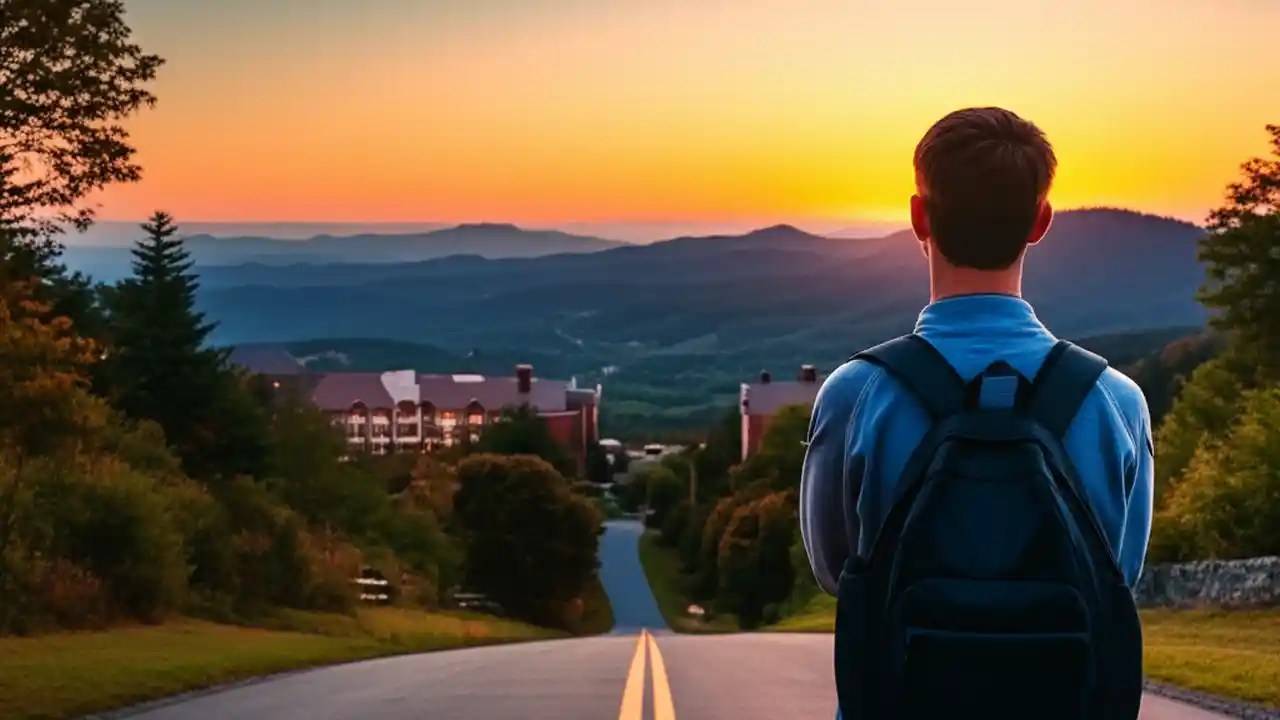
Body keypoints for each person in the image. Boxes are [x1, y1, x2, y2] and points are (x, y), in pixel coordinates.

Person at [800, 107, 1154, 719]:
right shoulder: (1116, 401)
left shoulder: (854, 394)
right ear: (1040, 221)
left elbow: (835, 571)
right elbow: (1119, 572)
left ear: (919, 217)